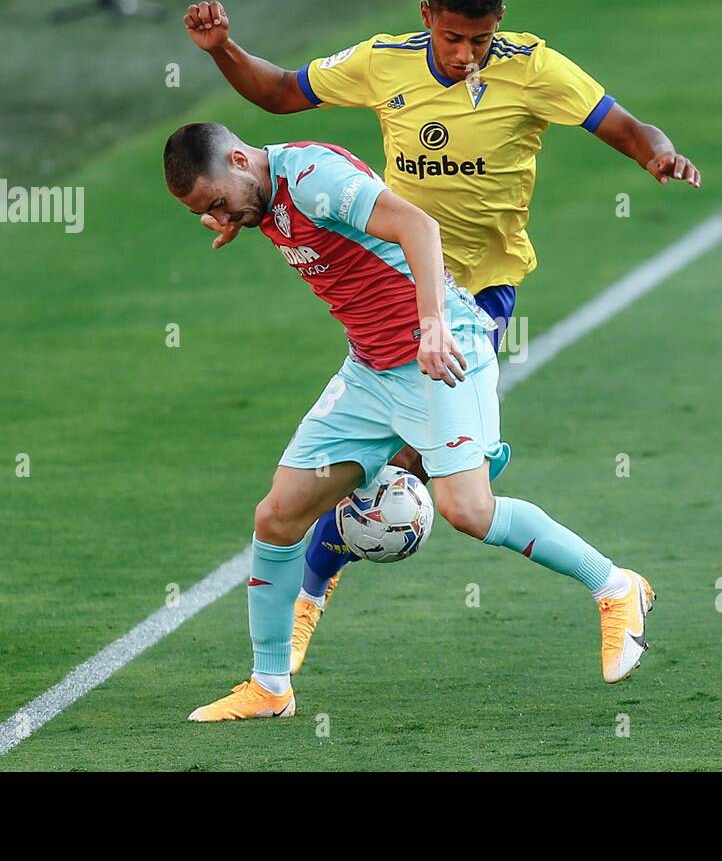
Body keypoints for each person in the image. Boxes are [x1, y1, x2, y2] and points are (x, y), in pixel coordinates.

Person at [183, 0, 693, 671]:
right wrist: (222, 49)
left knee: (416, 473)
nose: (465, 55)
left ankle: (311, 598)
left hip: (477, 292)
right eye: (452, 38)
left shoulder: (535, 67)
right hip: (397, 280)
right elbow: (277, 95)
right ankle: (304, 608)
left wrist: (658, 155)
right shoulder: (383, 62)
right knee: (389, 469)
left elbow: (625, 125)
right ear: (427, 20)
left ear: (499, 26)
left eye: (480, 41)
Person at [163, 123, 656, 719]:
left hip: (442, 355)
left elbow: (419, 226)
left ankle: (615, 587)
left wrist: (431, 326)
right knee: (277, 514)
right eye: (207, 212)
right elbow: (279, 221)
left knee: (468, 510)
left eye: (218, 203)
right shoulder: (258, 195)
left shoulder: (315, 179)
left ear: (240, 160)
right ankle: (270, 688)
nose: (219, 216)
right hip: (370, 371)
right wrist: (239, 218)